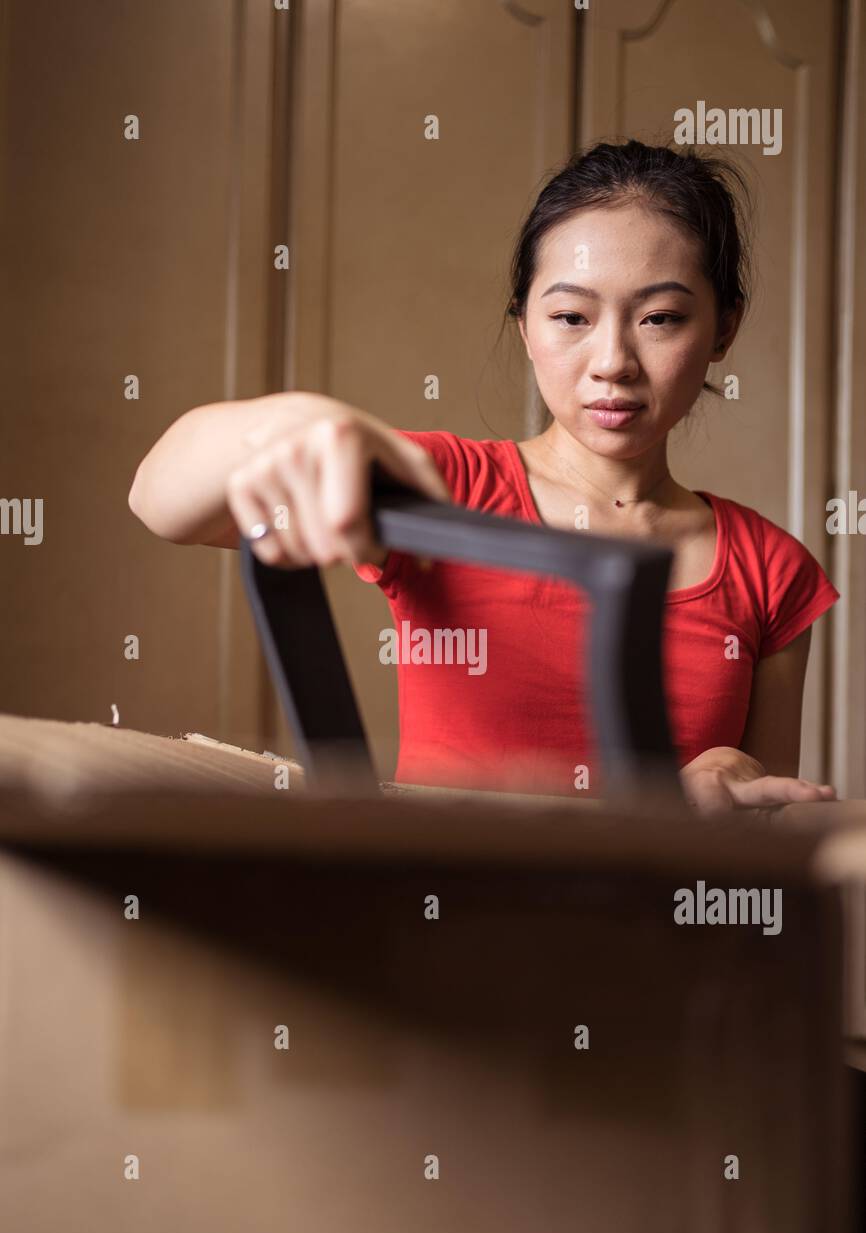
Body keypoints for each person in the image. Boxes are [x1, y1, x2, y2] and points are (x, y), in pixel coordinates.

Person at [128, 139, 839, 813]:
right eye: (570, 316)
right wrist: (306, 423)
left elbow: (765, 844)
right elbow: (160, 501)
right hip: (435, 922)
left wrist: (730, 783)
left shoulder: (773, 572)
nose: (612, 360)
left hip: (645, 934)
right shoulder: (446, 486)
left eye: (660, 318)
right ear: (525, 325)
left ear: (723, 330)